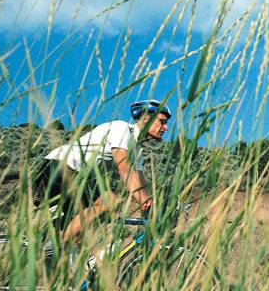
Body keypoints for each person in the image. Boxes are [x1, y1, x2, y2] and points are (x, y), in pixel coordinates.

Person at [34, 99, 170, 244]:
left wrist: (153, 206)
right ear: (146, 119)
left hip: (78, 177)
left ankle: (53, 252)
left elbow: (140, 182)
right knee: (110, 202)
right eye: (162, 122)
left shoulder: (136, 149)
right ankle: (56, 247)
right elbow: (125, 170)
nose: (166, 128)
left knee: (82, 233)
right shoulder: (122, 129)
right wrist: (145, 203)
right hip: (60, 168)